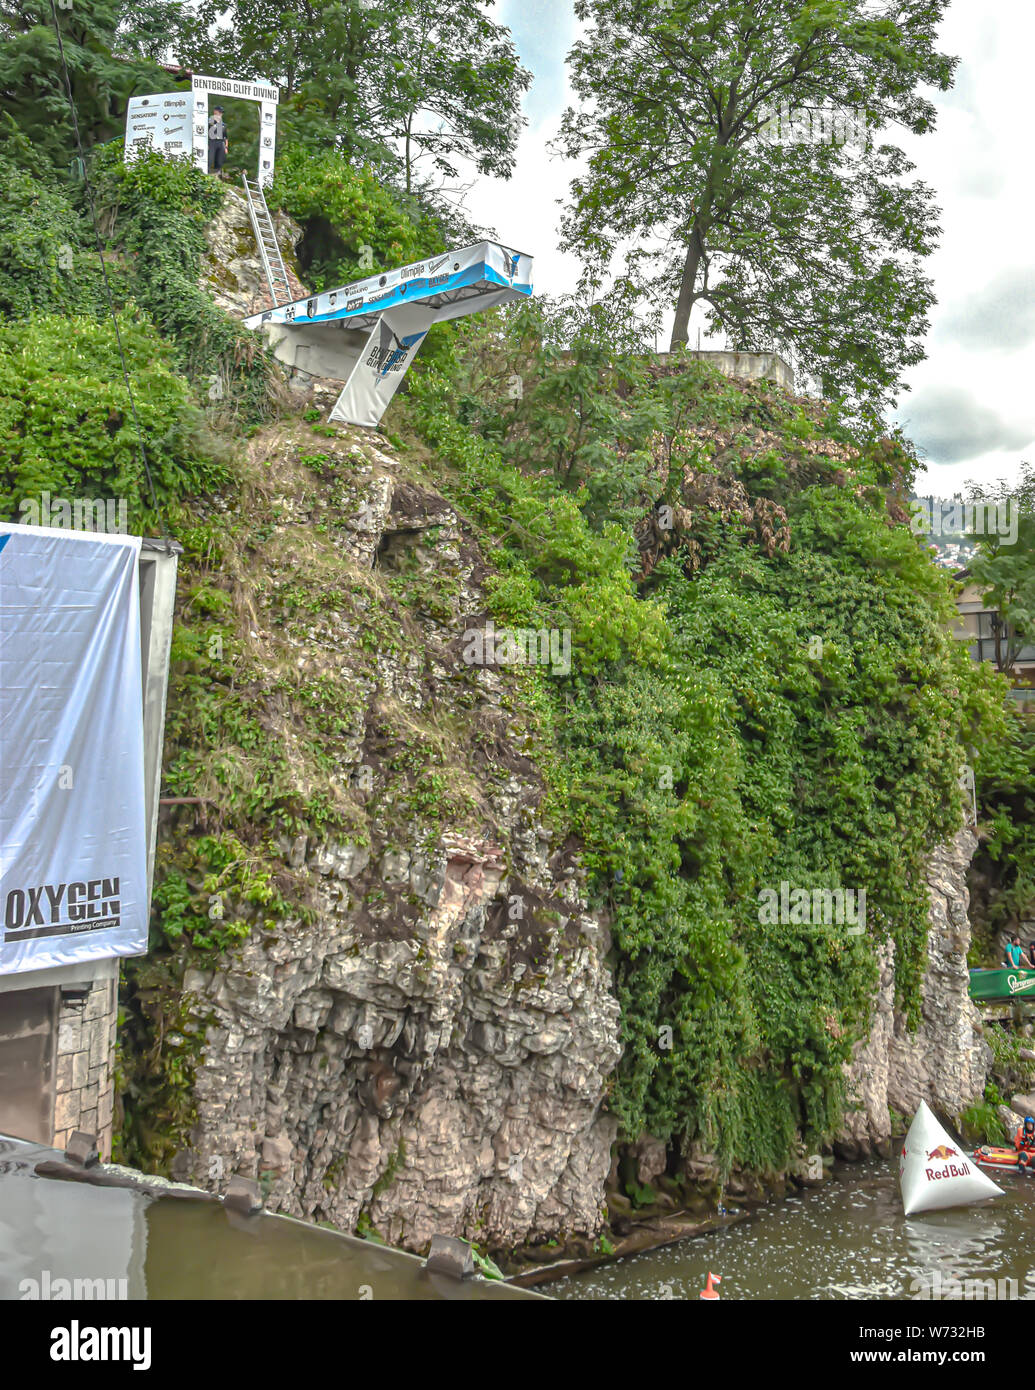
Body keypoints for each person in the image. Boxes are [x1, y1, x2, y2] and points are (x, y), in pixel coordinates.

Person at [208, 106, 228, 176]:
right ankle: (207, 174)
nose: (220, 114)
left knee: (219, 161)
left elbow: (225, 137)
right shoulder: (210, 120)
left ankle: (217, 175)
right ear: (215, 111)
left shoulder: (223, 124)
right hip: (212, 142)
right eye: (219, 112)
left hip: (220, 143)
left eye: (221, 112)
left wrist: (226, 147)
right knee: (210, 160)